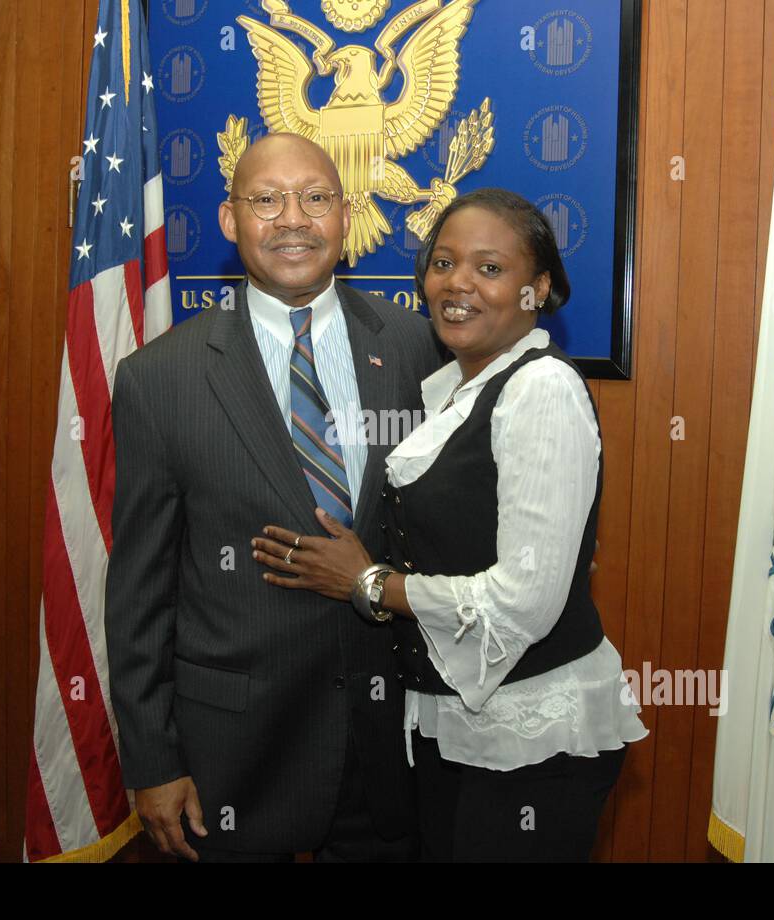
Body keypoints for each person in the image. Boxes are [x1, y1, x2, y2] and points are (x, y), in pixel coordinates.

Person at [252, 187, 648, 862]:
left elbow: (525, 595)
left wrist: (371, 583)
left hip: (529, 743)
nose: (458, 283)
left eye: (490, 268)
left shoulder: (540, 389)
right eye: (443, 263)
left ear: (539, 288)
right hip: (450, 731)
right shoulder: (451, 392)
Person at [105, 133, 443, 862]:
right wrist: (153, 762)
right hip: (234, 759)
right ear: (230, 222)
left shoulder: (418, 347)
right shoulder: (159, 378)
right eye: (266, 200)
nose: (294, 218)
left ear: (345, 216)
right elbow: (139, 591)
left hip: (388, 749)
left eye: (315, 198)